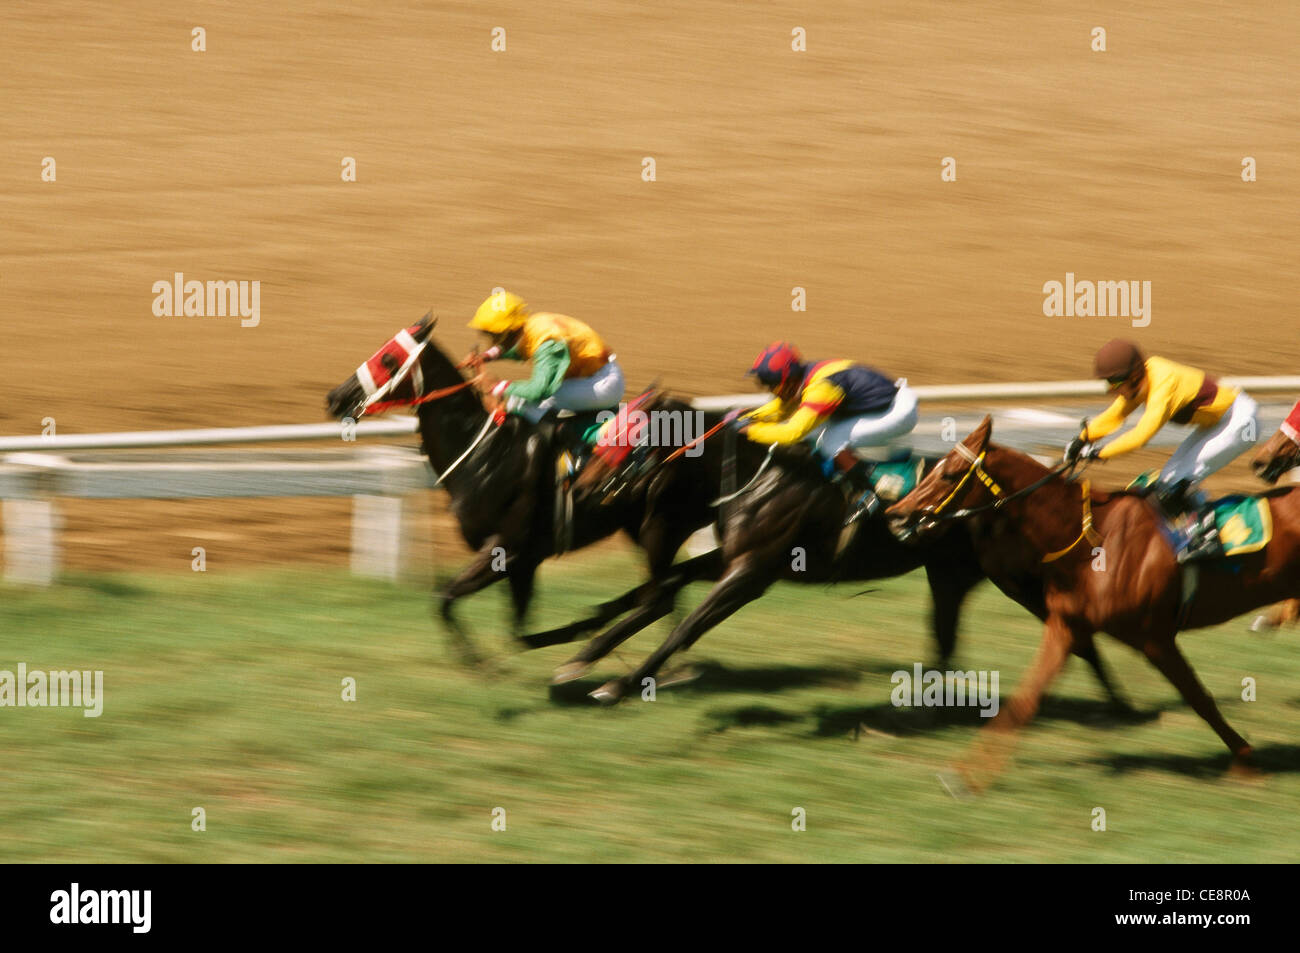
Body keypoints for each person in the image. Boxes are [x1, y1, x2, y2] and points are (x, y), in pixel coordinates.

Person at [1066, 338, 1258, 563]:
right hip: (1219, 422)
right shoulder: (1143, 378)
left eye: (1115, 382)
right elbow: (1116, 414)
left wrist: (1100, 453)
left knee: (1178, 480)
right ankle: (1194, 529)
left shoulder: (1163, 382)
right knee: (1167, 482)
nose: (1111, 389)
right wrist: (1081, 439)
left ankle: (1209, 538)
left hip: (1240, 421)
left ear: (1135, 375)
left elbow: (1141, 436)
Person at [738, 341, 918, 523]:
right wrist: (751, 415)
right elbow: (785, 407)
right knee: (819, 433)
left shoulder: (822, 388)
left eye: (773, 385)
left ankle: (875, 489)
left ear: (790, 379)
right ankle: (851, 477)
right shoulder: (804, 376)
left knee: (831, 440)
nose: (771, 391)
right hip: (881, 403)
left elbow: (792, 433)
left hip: (898, 412)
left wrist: (751, 430)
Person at [466, 290, 625, 462]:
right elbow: (520, 349)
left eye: (494, 336)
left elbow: (539, 390)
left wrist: (496, 386)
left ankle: (582, 443)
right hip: (594, 379)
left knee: (522, 403)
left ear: (509, 331)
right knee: (520, 400)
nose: (492, 341)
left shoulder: (546, 342)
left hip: (603, 384)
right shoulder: (531, 326)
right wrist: (485, 356)